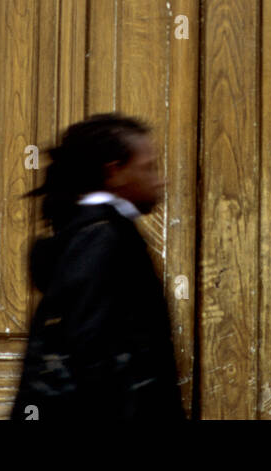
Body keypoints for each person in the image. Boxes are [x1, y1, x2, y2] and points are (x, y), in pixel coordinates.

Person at [10, 112, 186, 423]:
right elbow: (92, 353)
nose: (161, 179)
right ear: (115, 172)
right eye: (149, 168)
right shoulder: (103, 237)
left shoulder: (89, 231)